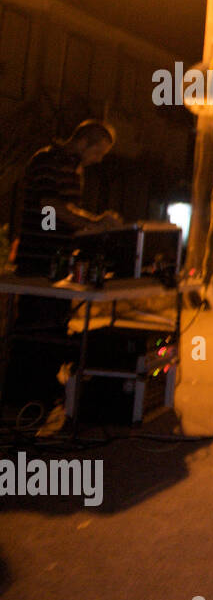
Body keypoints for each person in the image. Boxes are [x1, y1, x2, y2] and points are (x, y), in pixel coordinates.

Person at [5, 120, 121, 408]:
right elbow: (49, 207)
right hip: (38, 258)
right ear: (85, 142)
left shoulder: (71, 167)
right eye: (99, 151)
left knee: (54, 327)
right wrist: (93, 223)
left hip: (56, 259)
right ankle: (22, 397)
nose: (99, 159)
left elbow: (64, 208)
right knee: (37, 327)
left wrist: (91, 223)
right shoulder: (48, 161)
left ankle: (40, 394)